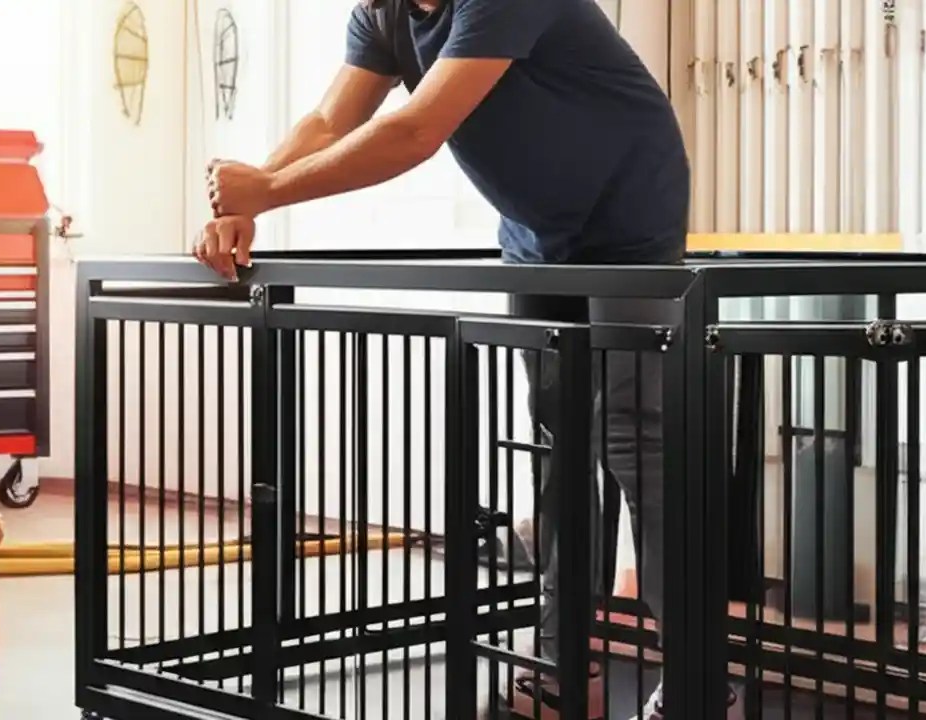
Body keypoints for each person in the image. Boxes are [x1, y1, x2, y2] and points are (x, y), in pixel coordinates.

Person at [194, 1, 739, 718]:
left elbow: (416, 129)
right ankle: (562, 668)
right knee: (557, 449)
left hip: (629, 223)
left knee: (638, 445)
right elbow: (331, 122)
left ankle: (700, 685)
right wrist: (251, 197)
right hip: (537, 237)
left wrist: (264, 189)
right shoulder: (384, 14)